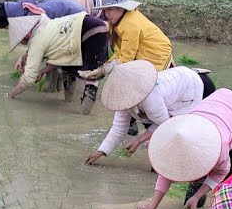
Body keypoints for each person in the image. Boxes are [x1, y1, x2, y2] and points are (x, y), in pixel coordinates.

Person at [135, 88, 232, 209]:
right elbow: (167, 171)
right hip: (219, 100)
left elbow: (221, 172)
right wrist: (152, 205)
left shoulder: (219, 148)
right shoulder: (175, 137)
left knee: (229, 175)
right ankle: (197, 196)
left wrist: (197, 196)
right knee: (195, 195)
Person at [84, 61, 216, 165]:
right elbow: (118, 128)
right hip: (178, 83)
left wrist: (139, 140)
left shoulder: (151, 98)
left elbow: (167, 126)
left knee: (188, 132)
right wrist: (100, 151)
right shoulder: (123, 98)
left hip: (197, 86)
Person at [7, 12, 110, 114]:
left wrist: (11, 94)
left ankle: (84, 117)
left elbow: (29, 79)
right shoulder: (46, 24)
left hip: (90, 31)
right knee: (68, 66)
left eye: (20, 40)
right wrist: (42, 71)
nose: (21, 43)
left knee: (91, 77)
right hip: (93, 25)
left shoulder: (36, 42)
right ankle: (69, 102)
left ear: (25, 36)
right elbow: (60, 58)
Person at [78, 0, 173, 81]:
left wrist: (102, 71)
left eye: (110, 9)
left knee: (150, 87)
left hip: (157, 56)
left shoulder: (130, 25)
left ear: (121, 8)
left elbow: (126, 59)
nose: (106, 14)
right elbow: (120, 51)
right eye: (105, 10)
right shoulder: (117, 21)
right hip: (143, 54)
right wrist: (101, 68)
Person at [0, 0, 85, 29]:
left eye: (8, 28)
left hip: (76, 15)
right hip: (76, 5)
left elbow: (40, 40)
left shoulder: (30, 17)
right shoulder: (25, 4)